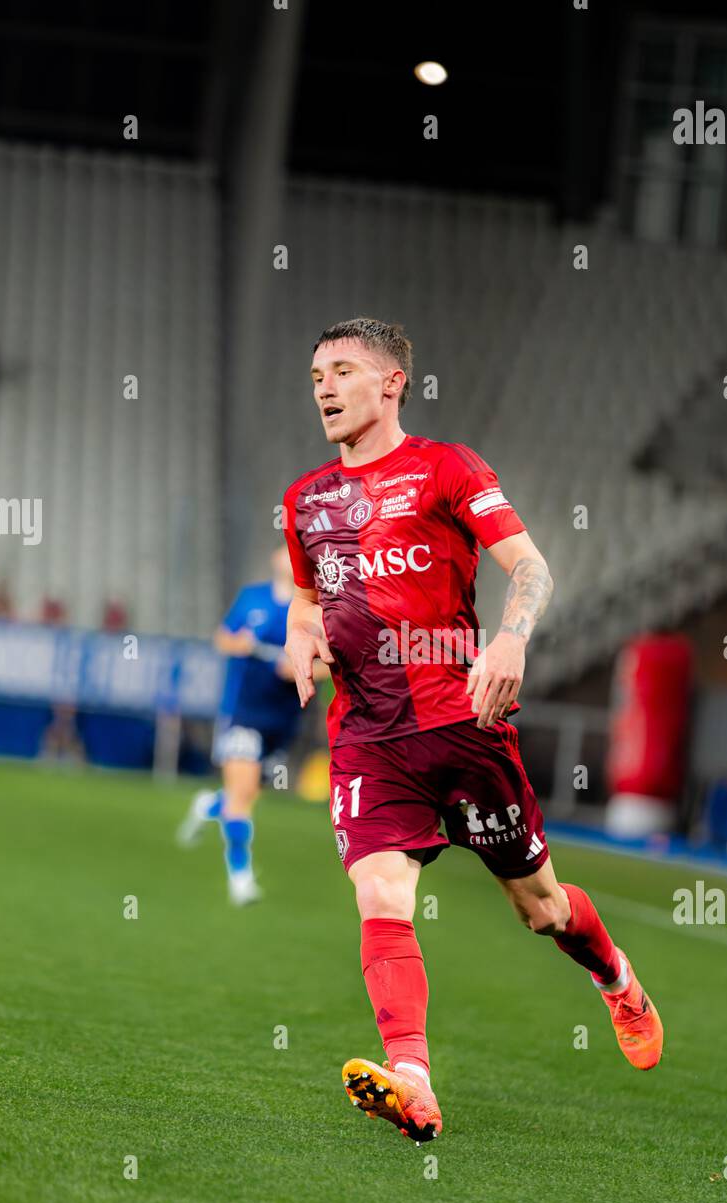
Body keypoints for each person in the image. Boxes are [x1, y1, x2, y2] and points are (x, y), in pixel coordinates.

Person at [284, 317, 664, 1145]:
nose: (322, 385)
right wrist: (298, 633)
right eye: (316, 373)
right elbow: (308, 594)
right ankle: (412, 1078)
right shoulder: (306, 499)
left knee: (540, 909)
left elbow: (531, 567)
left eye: (342, 370)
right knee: (379, 894)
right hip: (367, 737)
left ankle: (617, 978)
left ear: (390, 384)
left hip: (464, 724)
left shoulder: (445, 468)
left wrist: (511, 636)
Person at [178, 548, 325, 905]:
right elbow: (222, 638)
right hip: (243, 712)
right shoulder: (252, 597)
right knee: (242, 798)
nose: (285, 554)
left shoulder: (317, 610)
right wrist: (238, 644)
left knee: (246, 793)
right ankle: (240, 878)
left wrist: (305, 670)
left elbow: (334, 665)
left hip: (285, 718)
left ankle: (207, 806)